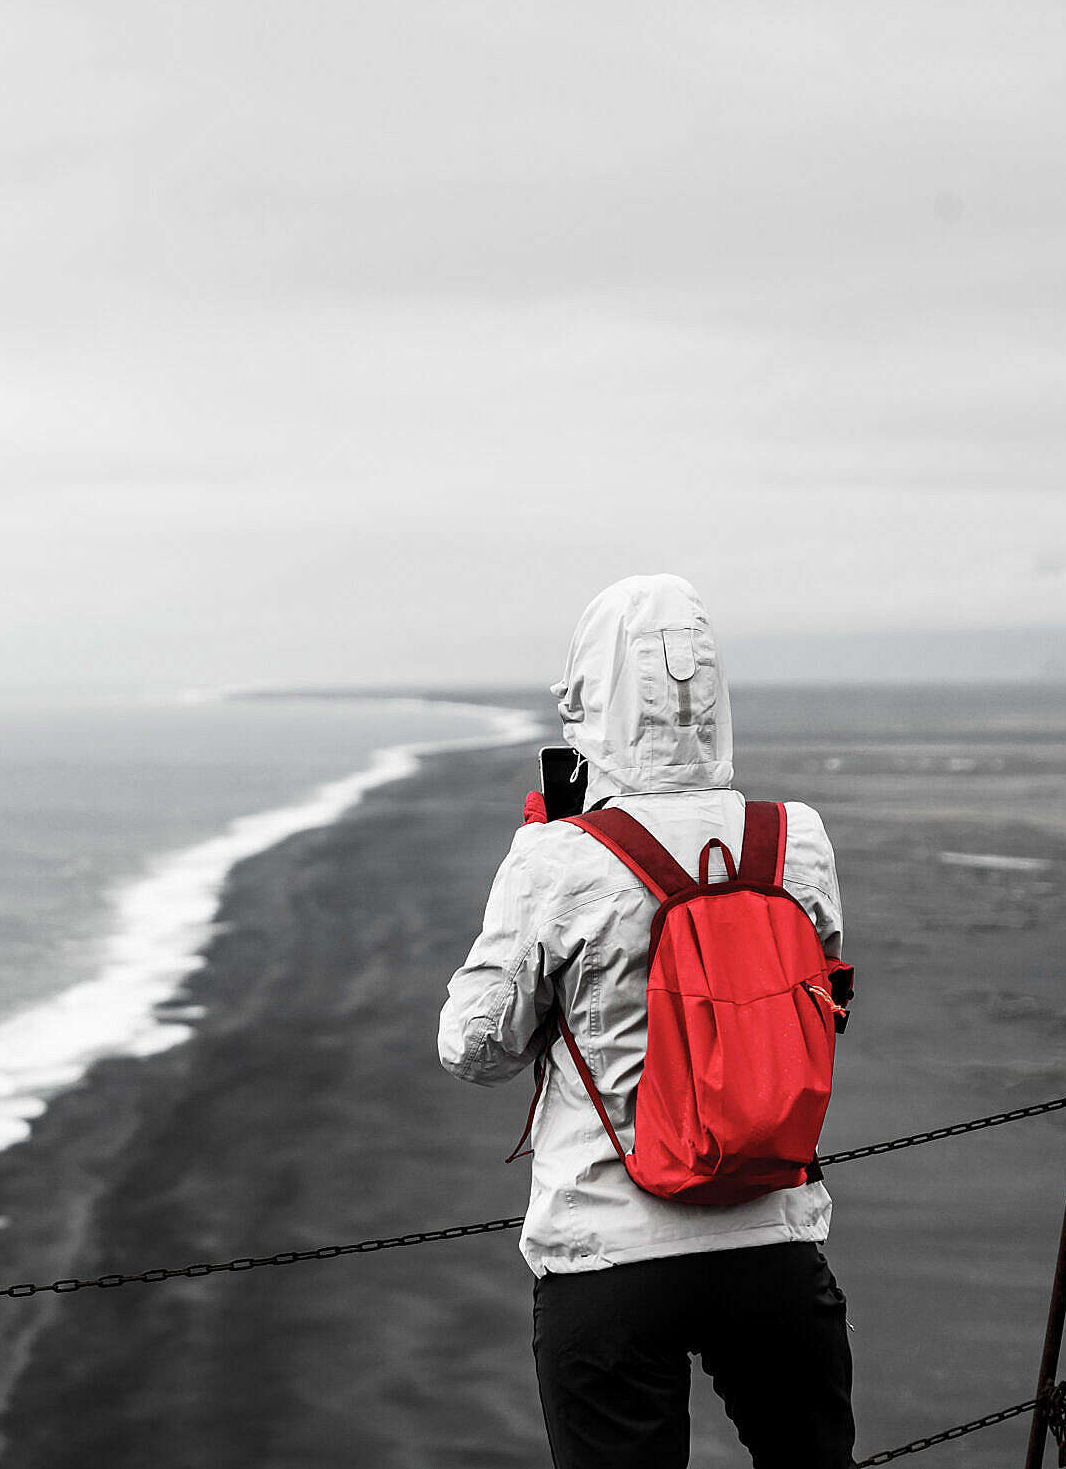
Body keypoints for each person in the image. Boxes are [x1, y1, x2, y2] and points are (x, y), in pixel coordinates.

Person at [437, 573, 854, 1469]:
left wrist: (542, 859)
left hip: (605, 1250)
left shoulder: (560, 858)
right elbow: (821, 1011)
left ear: (587, 699)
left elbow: (473, 1048)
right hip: (774, 1239)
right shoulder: (797, 840)